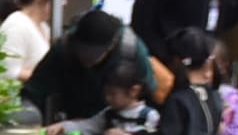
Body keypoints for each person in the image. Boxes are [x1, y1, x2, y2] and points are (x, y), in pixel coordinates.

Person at [27, 7, 162, 126]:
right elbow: (34, 91)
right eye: (82, 51)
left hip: (118, 124)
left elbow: (149, 94)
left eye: (94, 54)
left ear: (112, 45)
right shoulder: (64, 48)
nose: (86, 58)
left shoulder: (131, 50)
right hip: (75, 120)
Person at [61, 59, 163, 135]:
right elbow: (88, 126)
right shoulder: (108, 114)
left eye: (112, 94)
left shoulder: (149, 116)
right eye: (106, 93)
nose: (107, 98)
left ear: (133, 91)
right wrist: (63, 127)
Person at [0, 0, 53, 85]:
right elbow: (6, 71)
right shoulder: (17, 24)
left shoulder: (44, 27)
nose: (64, 3)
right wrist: (47, 77)